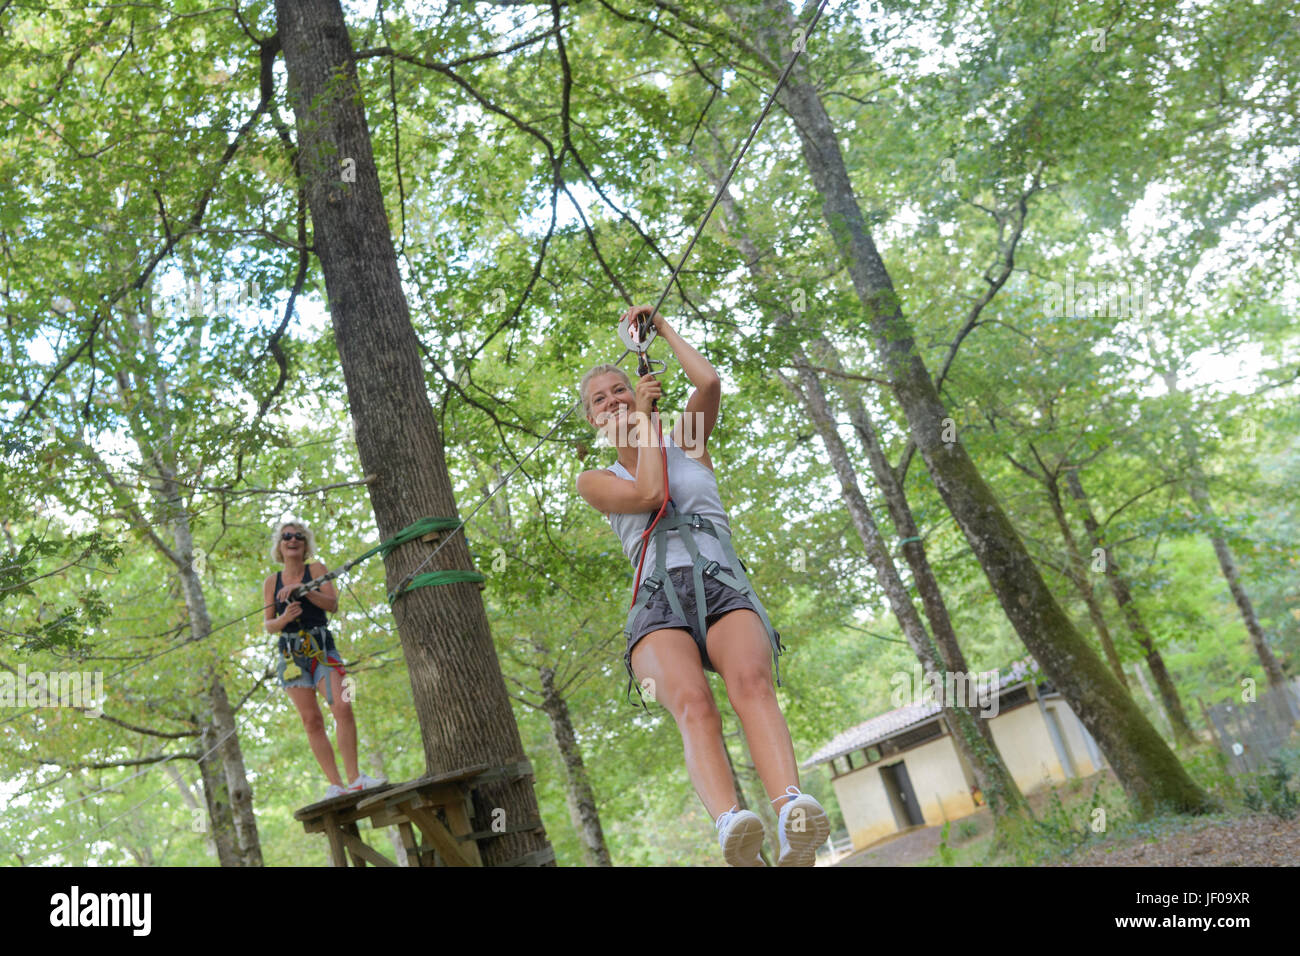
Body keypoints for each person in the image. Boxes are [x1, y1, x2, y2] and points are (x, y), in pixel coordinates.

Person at [576, 305, 829, 866]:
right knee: (693, 704)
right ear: (593, 420)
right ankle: (732, 824)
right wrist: (641, 422)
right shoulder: (594, 479)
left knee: (750, 682)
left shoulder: (687, 440)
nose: (615, 399)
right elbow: (649, 496)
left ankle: (792, 811)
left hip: (719, 582)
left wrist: (660, 328)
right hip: (657, 601)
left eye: (622, 388)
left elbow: (709, 382)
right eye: (602, 399)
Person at [263, 519, 385, 802]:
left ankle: (355, 779)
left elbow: (333, 604)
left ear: (305, 545)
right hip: (291, 655)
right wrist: (285, 618)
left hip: (322, 648)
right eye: (287, 537)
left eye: (299, 537)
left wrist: (305, 591)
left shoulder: (315, 570)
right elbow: (269, 624)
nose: (293, 540)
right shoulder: (272, 581)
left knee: (342, 706)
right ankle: (336, 785)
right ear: (280, 546)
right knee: (311, 720)